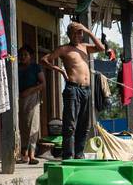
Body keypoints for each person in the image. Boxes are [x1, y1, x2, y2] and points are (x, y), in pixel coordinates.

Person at [42, 21, 106, 159]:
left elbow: (101, 48)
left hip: (86, 90)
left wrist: (88, 31)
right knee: (70, 124)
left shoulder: (84, 47)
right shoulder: (64, 49)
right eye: (75, 32)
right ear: (69, 34)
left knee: (84, 125)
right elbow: (45, 60)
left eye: (80, 32)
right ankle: (68, 156)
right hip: (73, 89)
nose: (78, 35)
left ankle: (79, 154)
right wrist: (60, 70)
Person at [17, 46, 45, 164]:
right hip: (19, 98)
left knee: (32, 125)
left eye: (25, 55)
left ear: (31, 56)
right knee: (22, 126)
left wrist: (30, 91)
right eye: (21, 55)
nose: (23, 57)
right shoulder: (16, 68)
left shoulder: (35, 67)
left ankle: (32, 155)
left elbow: (43, 84)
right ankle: (24, 155)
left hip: (32, 97)